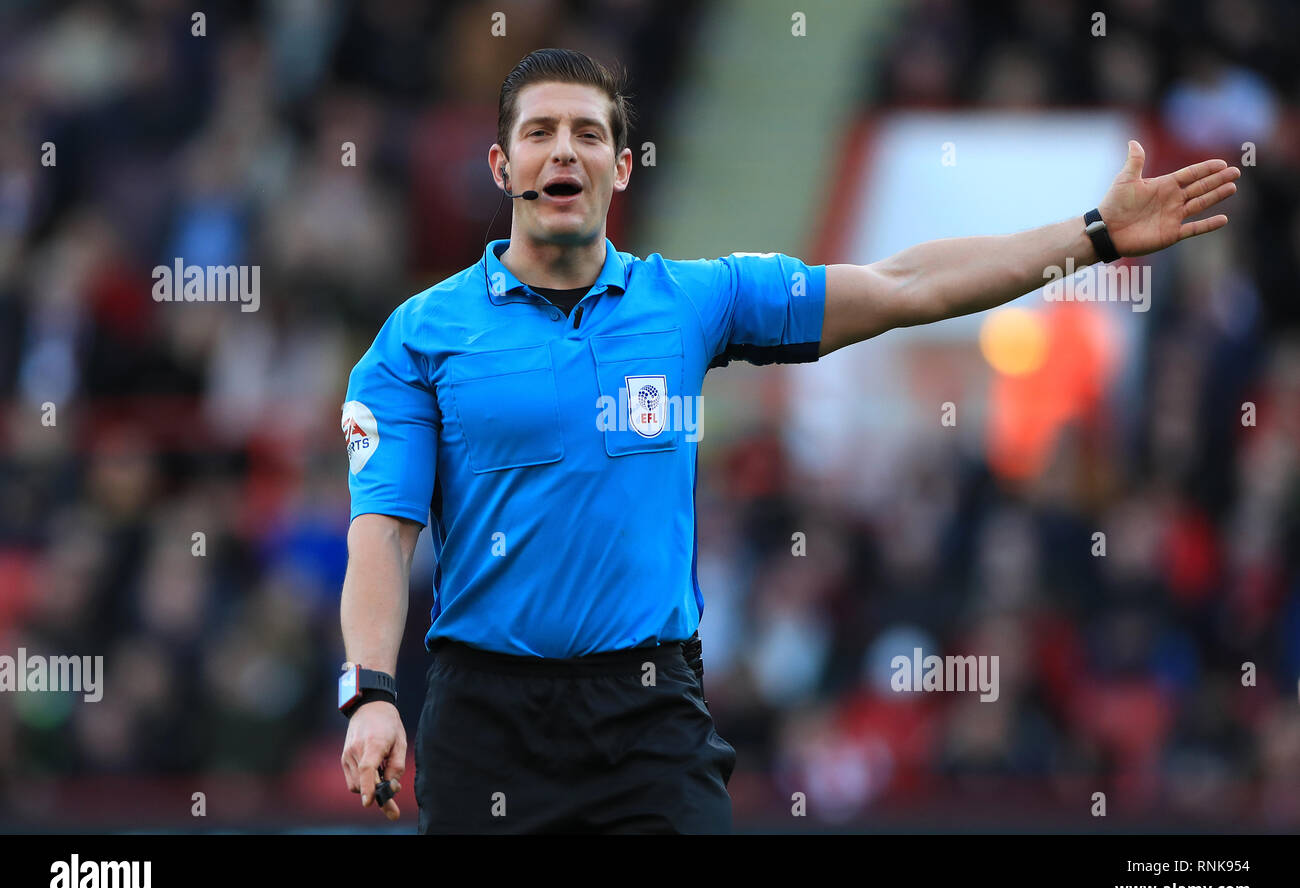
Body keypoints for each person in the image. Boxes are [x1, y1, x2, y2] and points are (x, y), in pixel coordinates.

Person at [338, 47, 1239, 834]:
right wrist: (372, 693)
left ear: (621, 166)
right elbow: (382, 530)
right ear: (502, 164)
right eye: (540, 133)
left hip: (646, 718)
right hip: (486, 721)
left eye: (586, 132)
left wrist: (1090, 237)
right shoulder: (421, 336)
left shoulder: (690, 302)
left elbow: (901, 284)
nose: (563, 149)